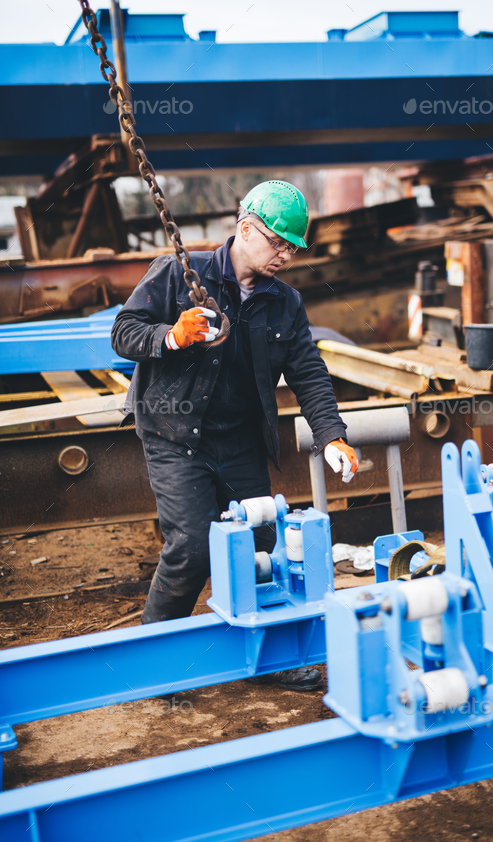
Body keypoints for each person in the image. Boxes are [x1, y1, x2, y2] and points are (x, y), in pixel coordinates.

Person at [111, 180, 358, 691]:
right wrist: (172, 336)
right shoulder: (181, 274)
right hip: (176, 434)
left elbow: (308, 373)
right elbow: (124, 331)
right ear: (246, 229)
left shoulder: (284, 303)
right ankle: (158, 662)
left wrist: (332, 435)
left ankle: (267, 657)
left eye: (293, 248)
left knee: (263, 543)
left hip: (241, 439)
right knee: (193, 548)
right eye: (279, 243)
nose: (286, 256)